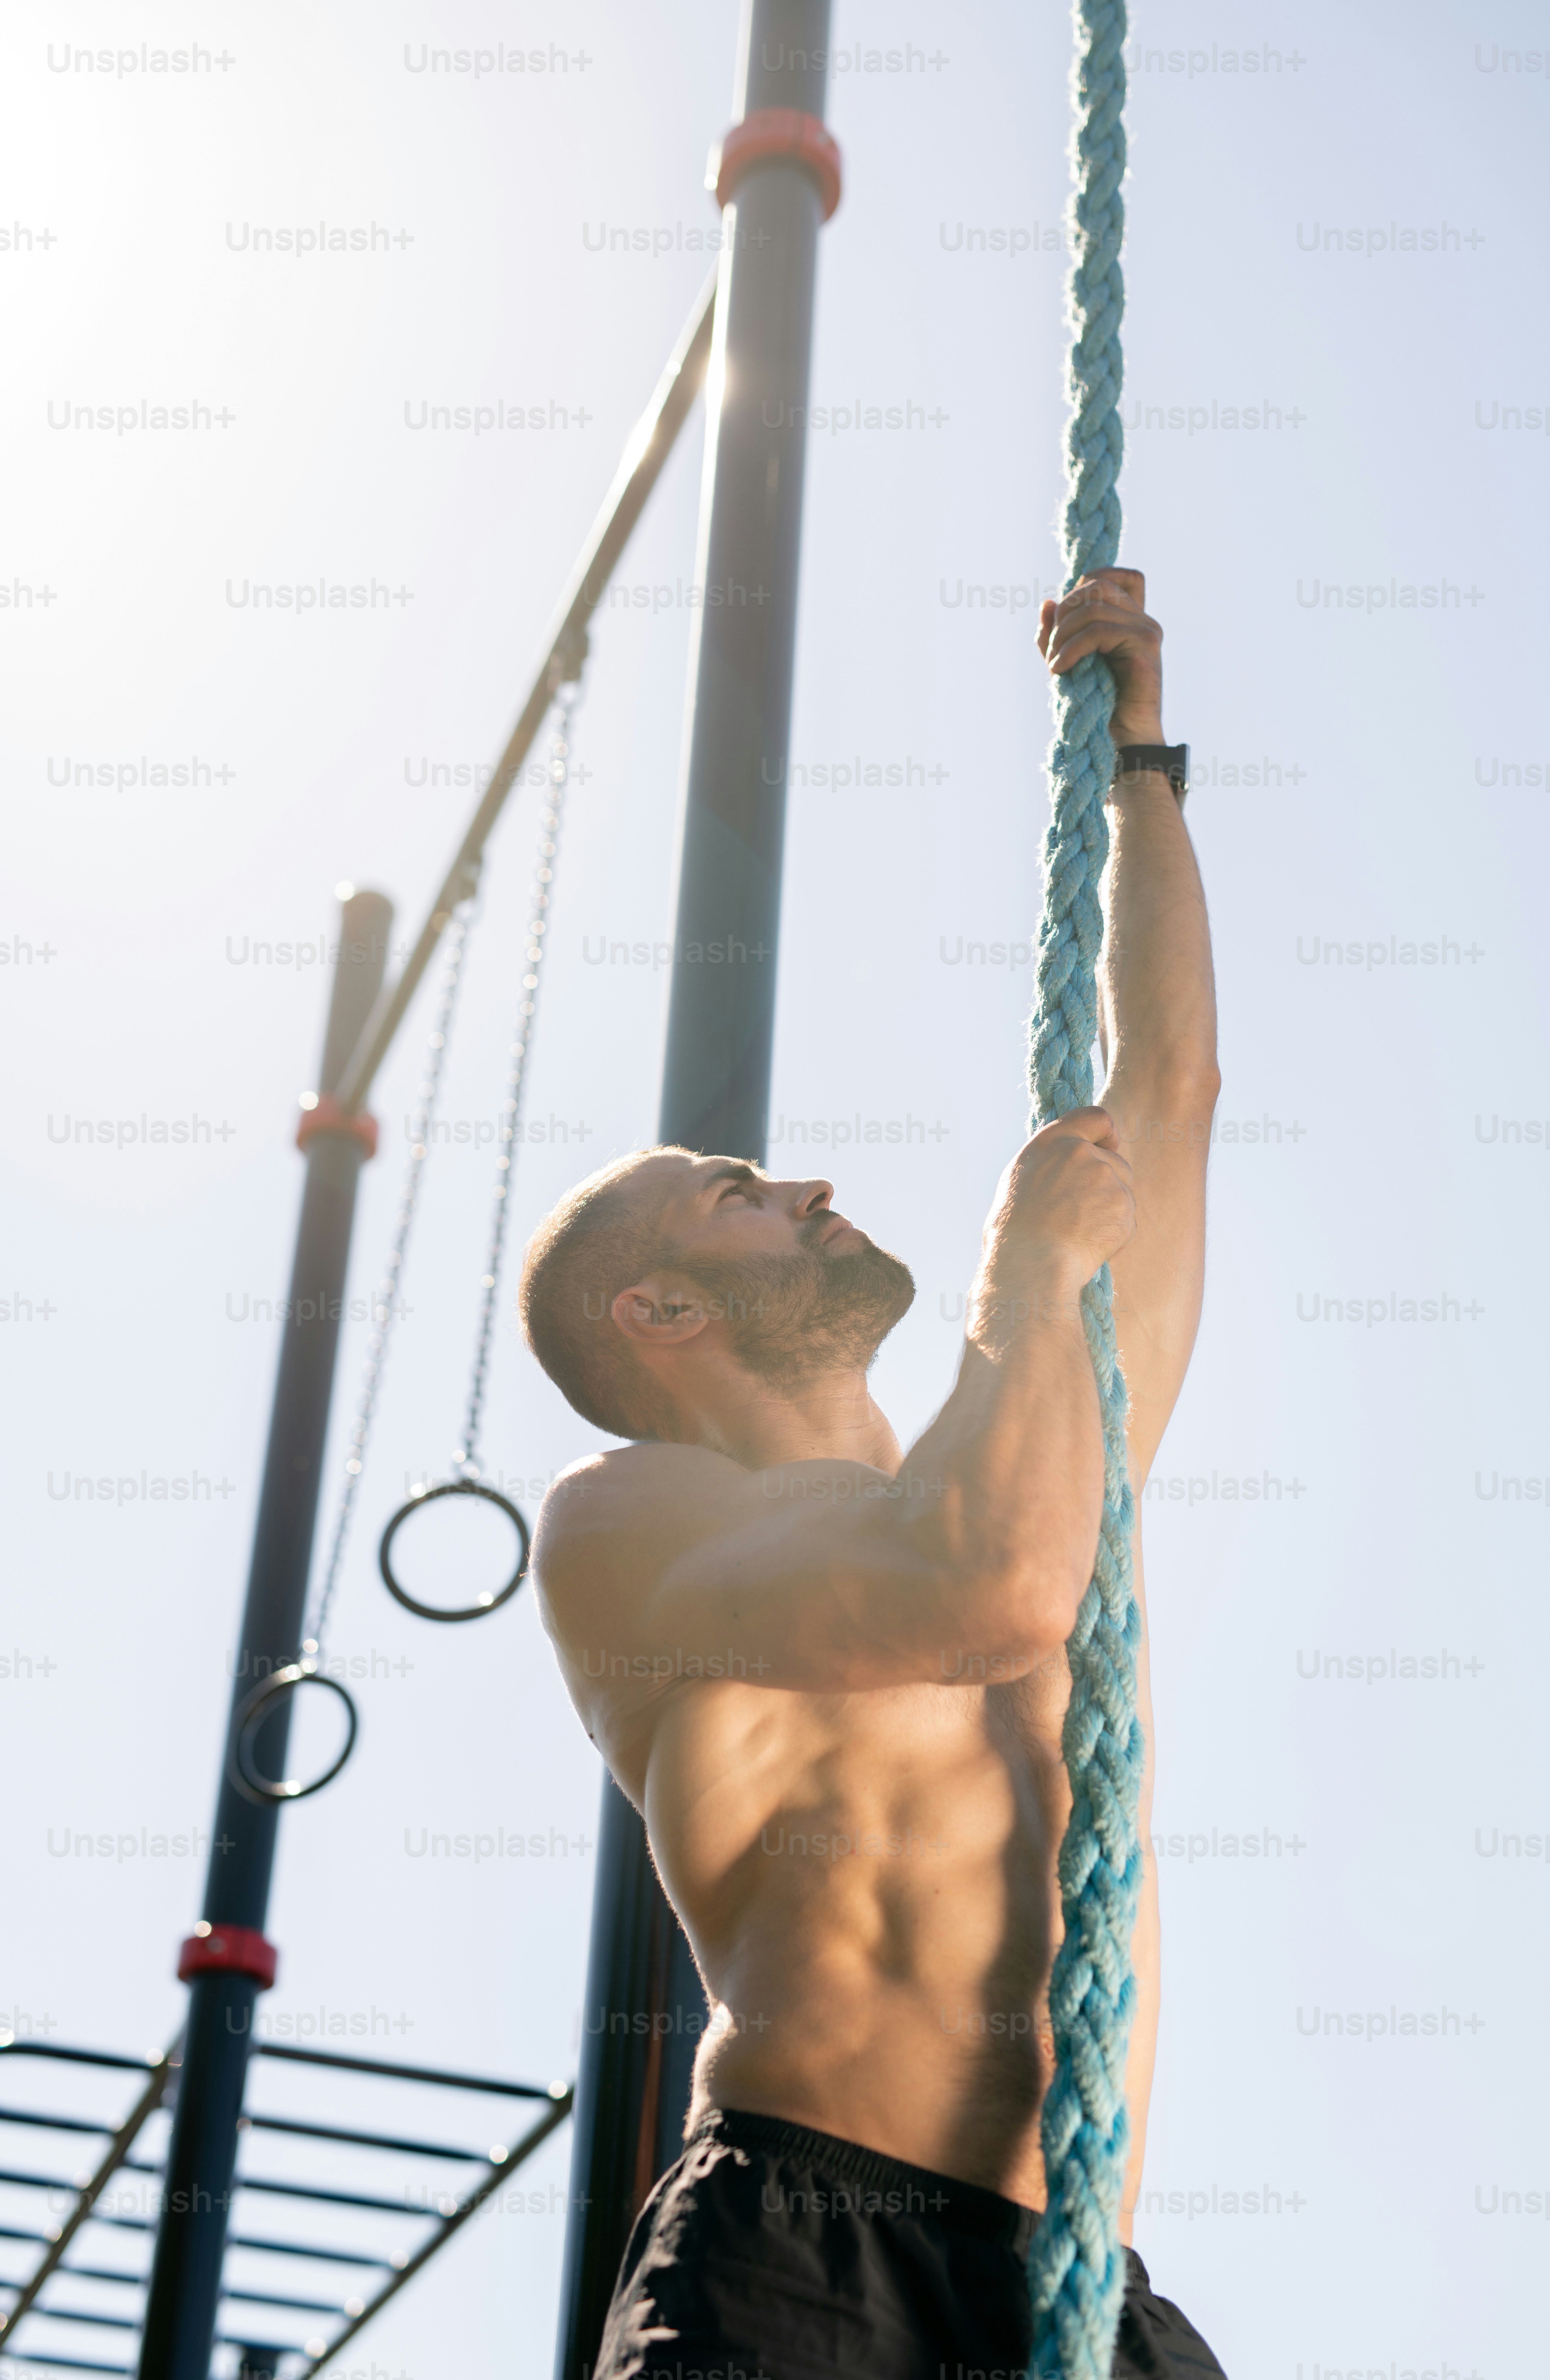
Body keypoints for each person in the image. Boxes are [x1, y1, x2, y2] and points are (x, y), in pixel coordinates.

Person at [521, 569, 1227, 2378]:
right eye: (740, 1196)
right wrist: (1021, 1271)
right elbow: (980, 1590)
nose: (809, 1186)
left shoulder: (1037, 1443)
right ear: (661, 1308)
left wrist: (1142, 763)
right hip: (813, 2247)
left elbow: (1168, 1094)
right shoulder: (626, 1525)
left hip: (1084, 2286)